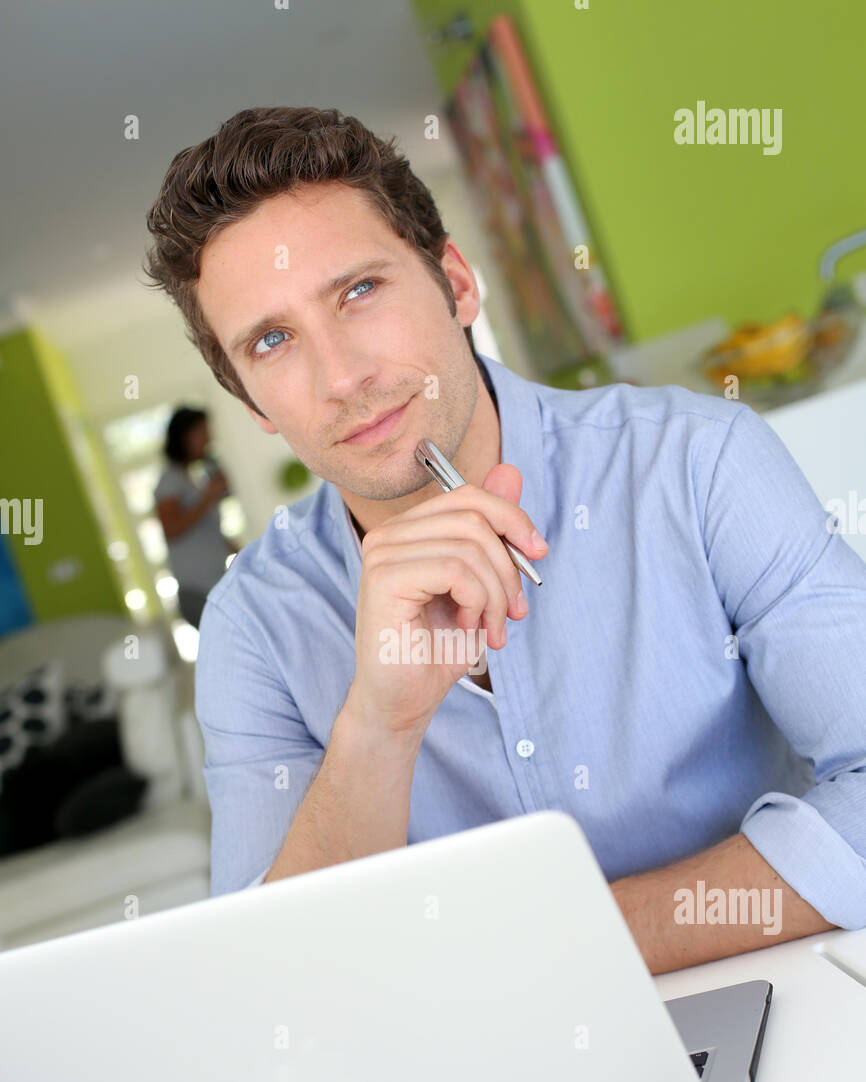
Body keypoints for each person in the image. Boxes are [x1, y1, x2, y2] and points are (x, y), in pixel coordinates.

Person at [143, 106, 866, 973]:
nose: (343, 378)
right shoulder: (254, 624)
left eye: (359, 292)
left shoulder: (697, 463)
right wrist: (380, 721)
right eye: (272, 340)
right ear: (254, 405)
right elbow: (277, 979)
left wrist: (572, 944)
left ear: (455, 283)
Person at [154, 407, 233, 627]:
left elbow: (204, 534)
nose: (209, 438)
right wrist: (209, 497)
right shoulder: (170, 480)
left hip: (214, 582)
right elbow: (171, 530)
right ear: (185, 437)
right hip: (197, 591)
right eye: (203, 432)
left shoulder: (190, 477)